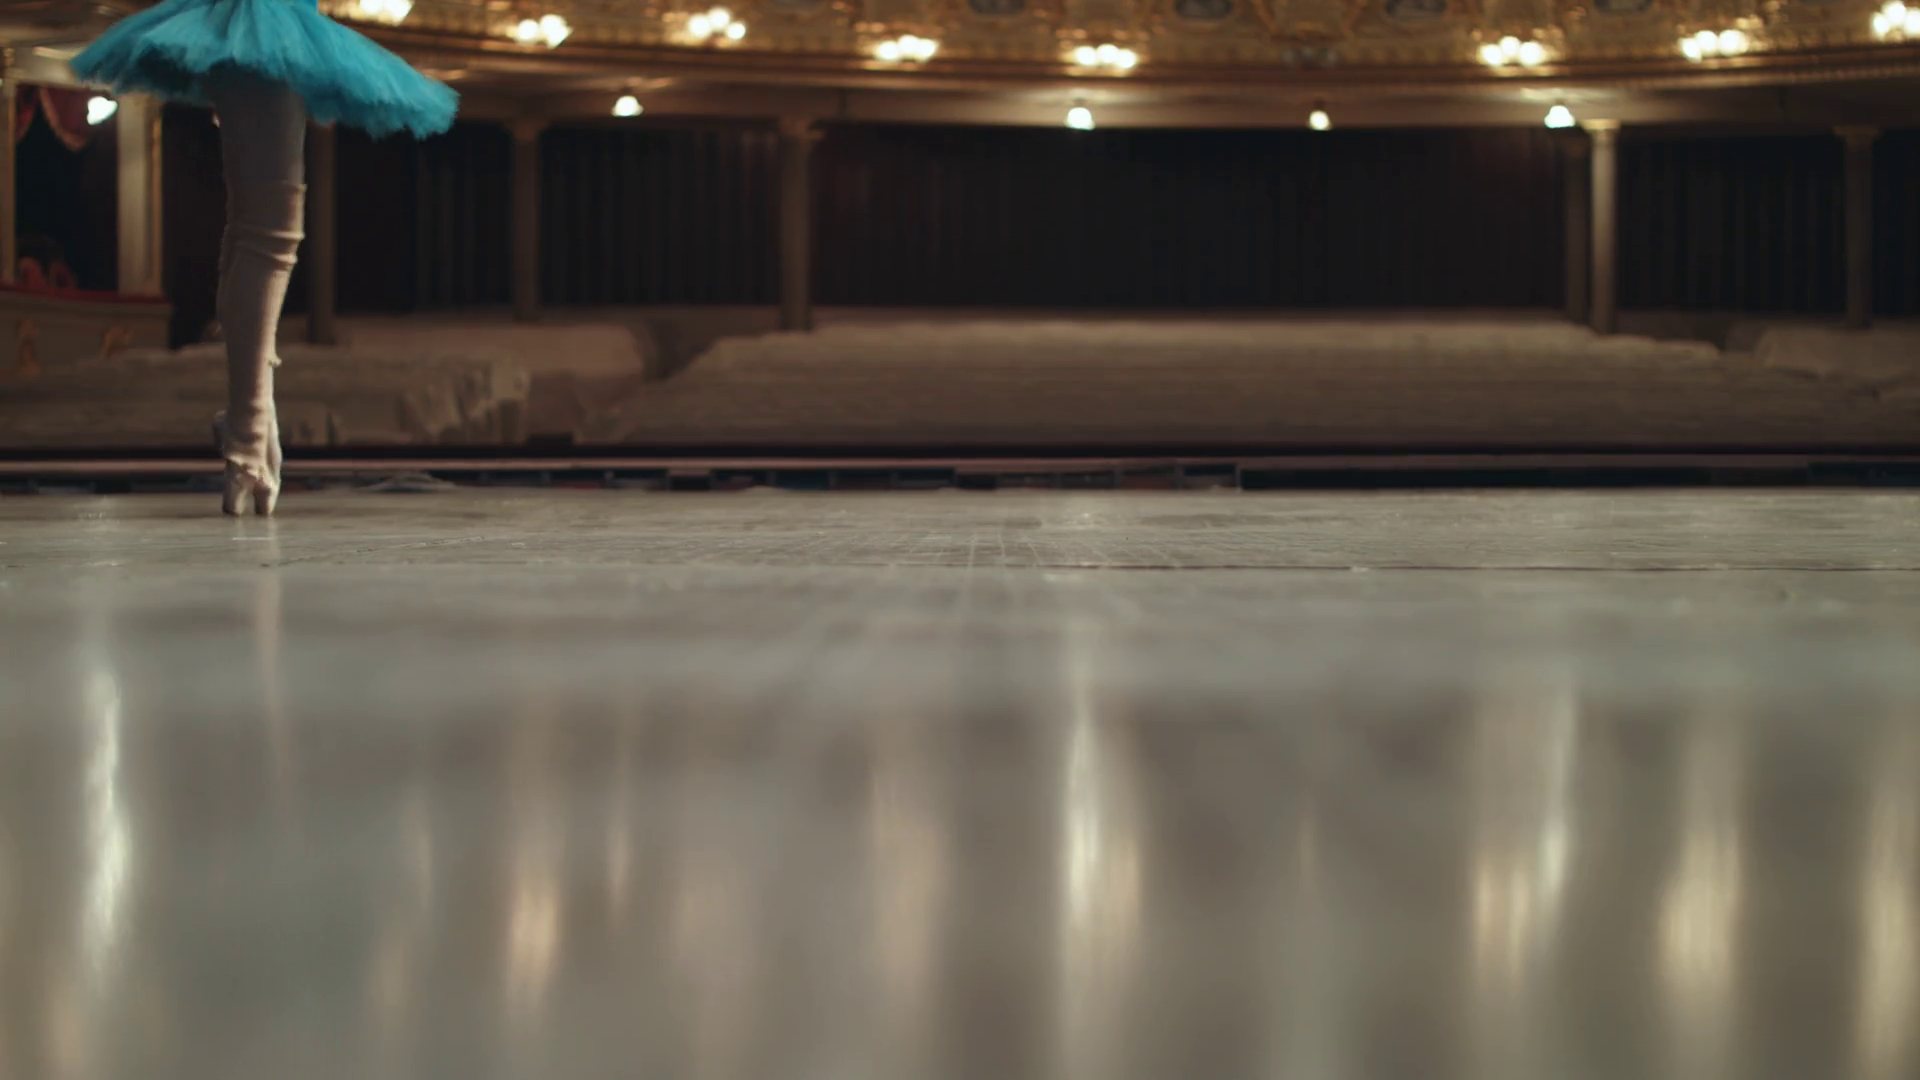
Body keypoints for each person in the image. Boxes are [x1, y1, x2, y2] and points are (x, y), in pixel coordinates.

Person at [70, 0, 457, 515]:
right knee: (270, 233)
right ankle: (247, 434)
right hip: (263, 19)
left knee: (252, 226)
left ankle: (250, 425)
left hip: (257, 21)